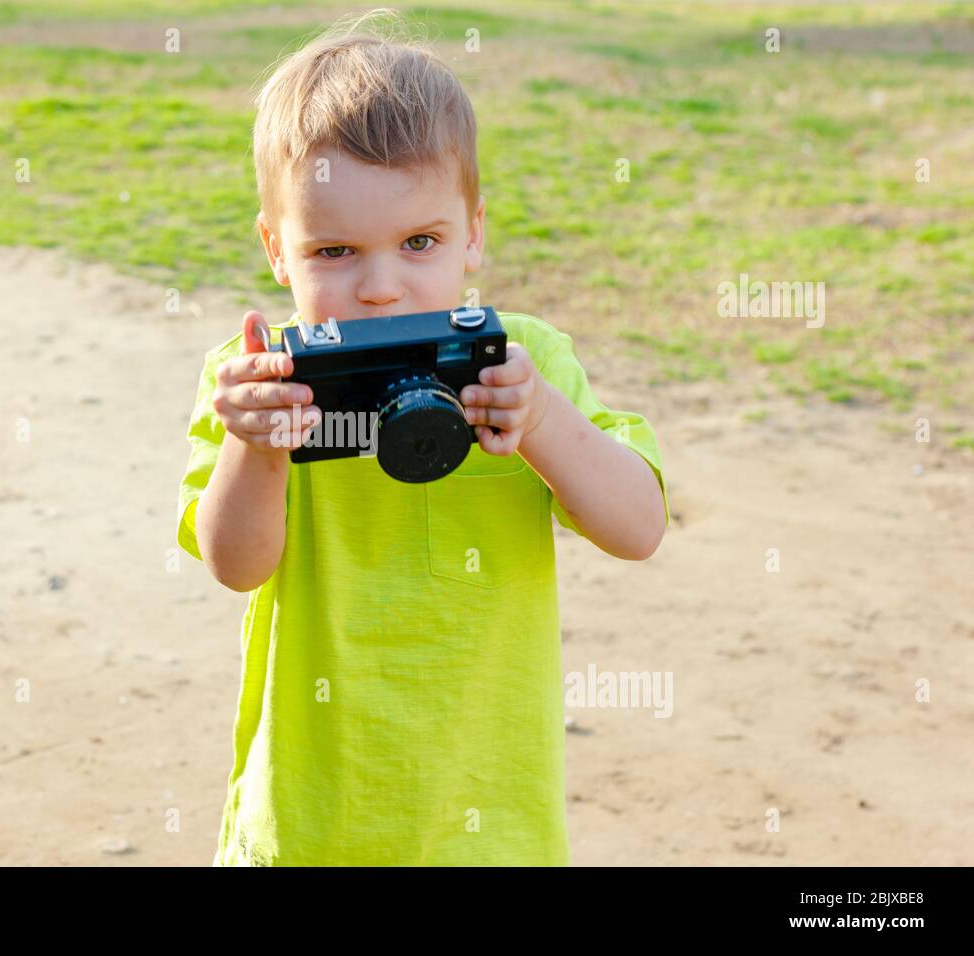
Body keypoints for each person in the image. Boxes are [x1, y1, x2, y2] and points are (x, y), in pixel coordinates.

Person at [176, 12, 669, 866]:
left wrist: (544, 420)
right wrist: (256, 450)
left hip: (488, 821)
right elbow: (236, 564)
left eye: (419, 243)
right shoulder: (256, 379)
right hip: (311, 814)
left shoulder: (526, 363)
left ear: (472, 231)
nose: (381, 287)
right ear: (277, 251)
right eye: (333, 250)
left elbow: (639, 529)